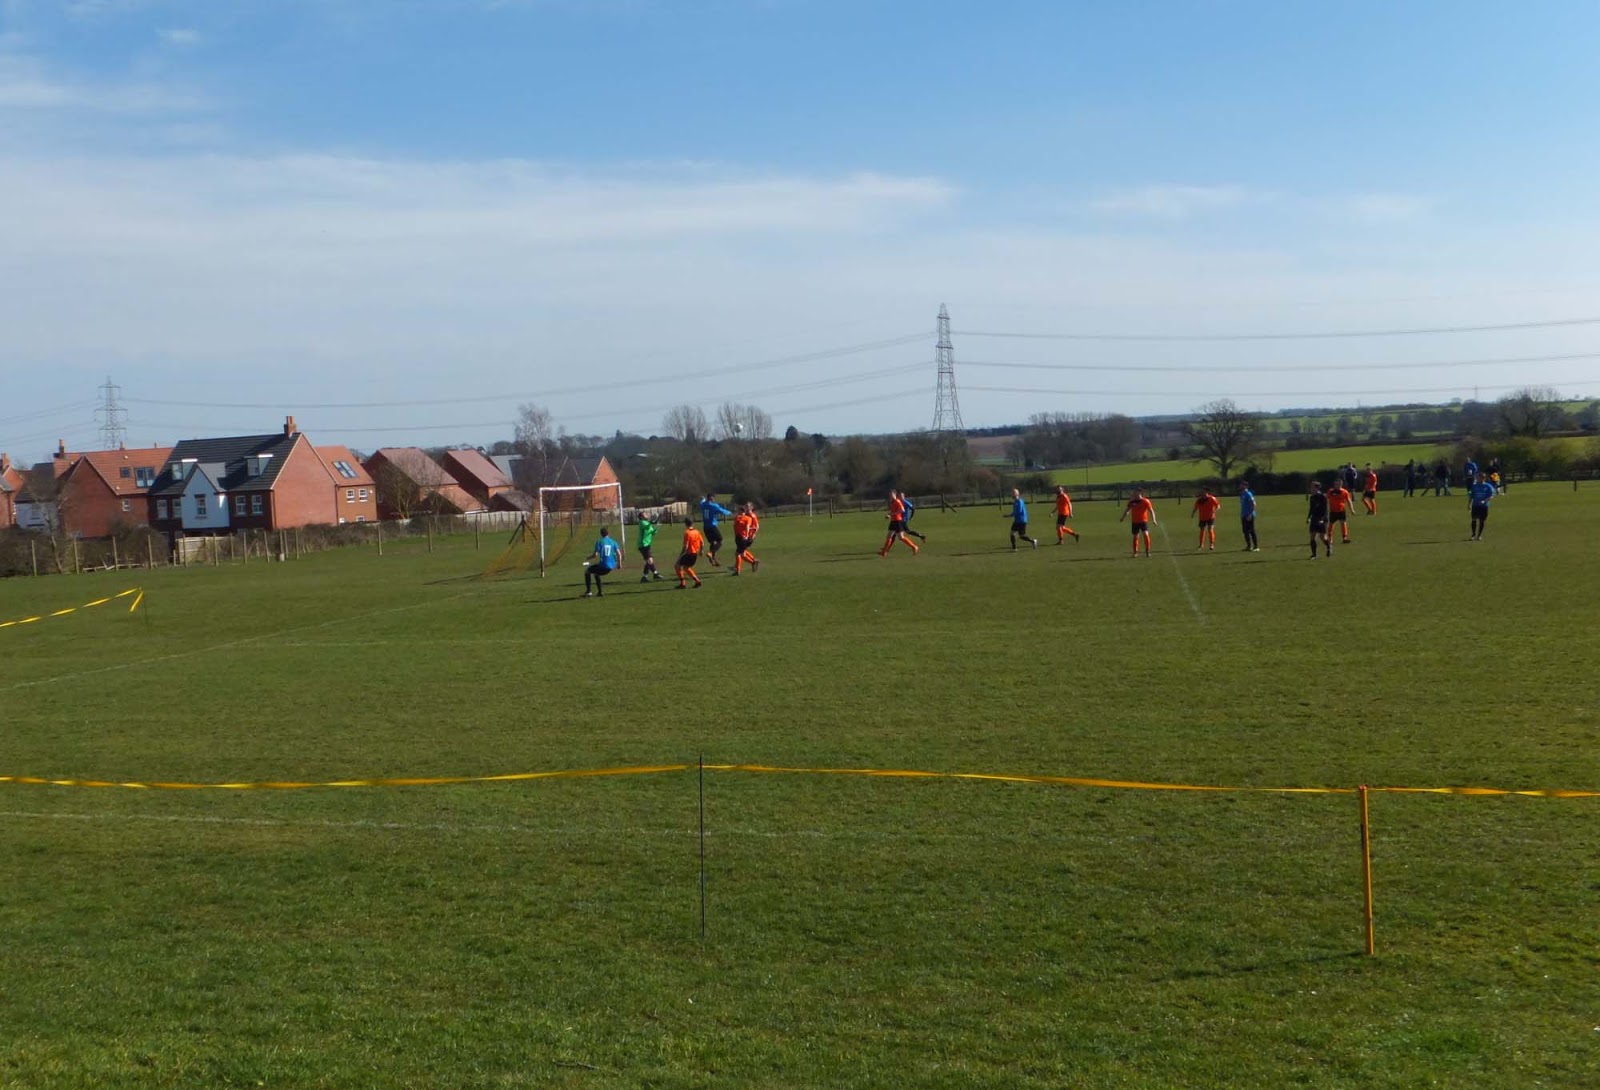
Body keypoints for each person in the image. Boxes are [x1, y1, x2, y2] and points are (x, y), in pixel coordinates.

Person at [581, 527, 622, 598]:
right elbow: (619, 554)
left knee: (587, 571)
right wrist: (619, 564)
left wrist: (588, 558)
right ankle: (600, 592)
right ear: (608, 533)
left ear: (601, 534)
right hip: (611, 567)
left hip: (603, 565)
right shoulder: (613, 542)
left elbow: (595, 555)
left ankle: (589, 592)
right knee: (596, 574)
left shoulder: (599, 542)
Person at [879, 490, 919, 556]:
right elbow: (893, 511)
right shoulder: (892, 502)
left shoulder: (897, 501)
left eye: (891, 495)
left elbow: (902, 510)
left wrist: (893, 514)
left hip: (898, 521)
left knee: (901, 537)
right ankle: (884, 552)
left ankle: (914, 547)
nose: (890, 496)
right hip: (893, 521)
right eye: (890, 495)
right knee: (889, 536)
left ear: (895, 495)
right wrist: (889, 515)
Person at [1120, 489, 1156, 557]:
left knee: (1146, 534)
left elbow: (1151, 511)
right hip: (1135, 522)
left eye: (1136, 493)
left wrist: (1154, 519)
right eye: (1134, 493)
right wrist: (1123, 517)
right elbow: (1127, 510)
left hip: (1143, 521)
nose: (1134, 494)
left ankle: (1147, 551)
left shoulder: (1146, 501)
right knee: (1135, 537)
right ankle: (1135, 552)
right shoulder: (1131, 502)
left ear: (1140, 493)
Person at [699, 494, 733, 566]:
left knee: (712, 543)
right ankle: (711, 553)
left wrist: (703, 499)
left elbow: (702, 501)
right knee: (720, 541)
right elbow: (722, 511)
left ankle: (713, 559)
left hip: (705, 527)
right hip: (712, 526)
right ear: (712, 498)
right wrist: (729, 512)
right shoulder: (714, 506)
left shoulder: (703, 505)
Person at [732, 502, 761, 574]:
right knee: (742, 551)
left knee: (740, 553)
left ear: (751, 507)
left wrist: (753, 534)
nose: (746, 507)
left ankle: (739, 568)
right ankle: (752, 561)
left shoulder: (752, 516)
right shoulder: (745, 515)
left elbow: (757, 526)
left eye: (748, 506)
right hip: (744, 536)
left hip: (748, 536)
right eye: (745, 506)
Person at [675, 519, 704, 588]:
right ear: (692, 523)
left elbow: (686, 546)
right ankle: (697, 581)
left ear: (685, 524)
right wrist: (701, 551)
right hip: (695, 554)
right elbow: (702, 543)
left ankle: (683, 583)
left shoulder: (687, 533)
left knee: (677, 566)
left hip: (689, 553)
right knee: (686, 568)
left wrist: (681, 554)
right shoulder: (697, 532)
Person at [1468, 470, 1497, 541]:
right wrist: (1469, 504)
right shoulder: (1474, 486)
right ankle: (1473, 535)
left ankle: (1479, 535)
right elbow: (1471, 496)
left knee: (1482, 521)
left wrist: (1485, 501)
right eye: (1477, 477)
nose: (1478, 479)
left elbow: (1492, 495)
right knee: (1474, 519)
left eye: (1480, 478)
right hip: (1475, 505)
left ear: (1483, 478)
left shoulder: (1488, 486)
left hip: (1484, 506)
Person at [1306, 482, 1332, 558]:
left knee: (1322, 537)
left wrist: (1322, 519)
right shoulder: (1312, 497)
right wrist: (1308, 518)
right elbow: (1311, 509)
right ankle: (1314, 555)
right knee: (1312, 536)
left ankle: (1329, 546)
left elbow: (1325, 509)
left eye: (1312, 487)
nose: (1311, 488)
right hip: (1314, 518)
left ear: (1317, 488)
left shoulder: (1322, 497)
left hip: (1322, 519)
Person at [636, 511, 663, 583]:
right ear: (641, 517)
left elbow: (653, 533)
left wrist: (657, 527)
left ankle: (644, 577)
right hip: (643, 544)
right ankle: (655, 574)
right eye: (645, 514)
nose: (647, 514)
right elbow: (647, 526)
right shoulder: (641, 522)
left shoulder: (648, 523)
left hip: (647, 544)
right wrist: (654, 520)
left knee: (648, 561)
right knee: (650, 560)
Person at [1326, 477, 1355, 543]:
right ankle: (1330, 538)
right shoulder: (1330, 491)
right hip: (1333, 511)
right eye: (1336, 484)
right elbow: (1325, 499)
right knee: (1331, 524)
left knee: (1343, 523)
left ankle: (1344, 538)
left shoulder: (1344, 492)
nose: (1337, 485)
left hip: (1341, 511)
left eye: (1339, 484)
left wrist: (1352, 510)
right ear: (1334, 484)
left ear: (1341, 484)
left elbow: (1349, 501)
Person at [1238, 480, 1259, 552]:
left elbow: (1253, 504)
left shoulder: (1248, 494)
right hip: (1243, 515)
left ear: (1245, 486)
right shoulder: (1241, 494)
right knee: (1245, 531)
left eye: (1242, 485)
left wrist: (1250, 514)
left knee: (1252, 530)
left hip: (1249, 515)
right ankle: (1249, 546)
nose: (1240, 486)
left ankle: (1256, 546)